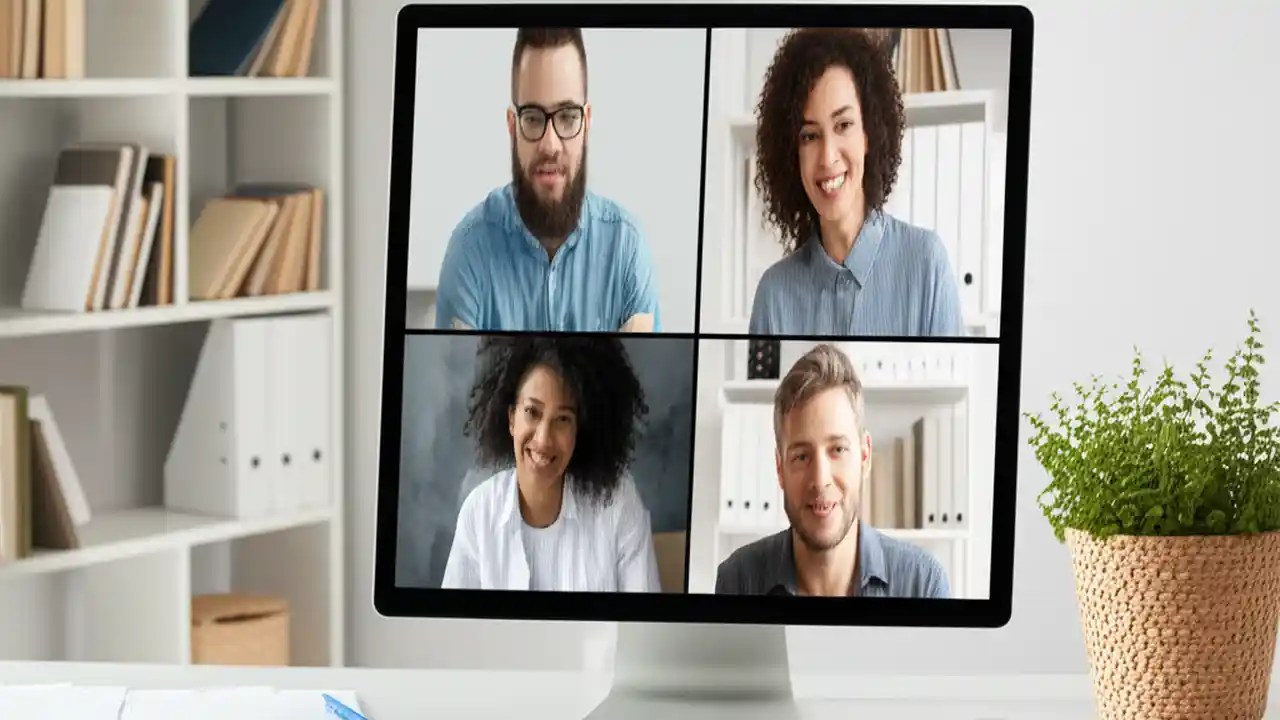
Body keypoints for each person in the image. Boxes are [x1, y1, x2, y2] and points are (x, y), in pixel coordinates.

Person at [434, 28, 661, 333]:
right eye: (533, 117)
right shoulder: (469, 251)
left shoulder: (627, 250)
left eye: (567, 116)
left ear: (587, 123)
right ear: (512, 126)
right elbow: (458, 382)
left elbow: (638, 380)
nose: (550, 144)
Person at [747, 28, 964, 337]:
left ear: (868, 134)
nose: (827, 157)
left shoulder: (926, 265)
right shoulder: (773, 296)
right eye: (810, 135)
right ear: (792, 152)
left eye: (843, 125)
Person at [715, 343, 949, 597]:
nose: (820, 479)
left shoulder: (923, 585)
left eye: (837, 450)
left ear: (864, 456)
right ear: (780, 468)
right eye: (802, 456)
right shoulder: (736, 582)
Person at [442, 335, 662, 592]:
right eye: (532, 412)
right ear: (511, 417)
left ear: (580, 428)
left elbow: (642, 625)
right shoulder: (478, 512)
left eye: (563, 419)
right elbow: (453, 628)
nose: (543, 439)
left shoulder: (618, 502)